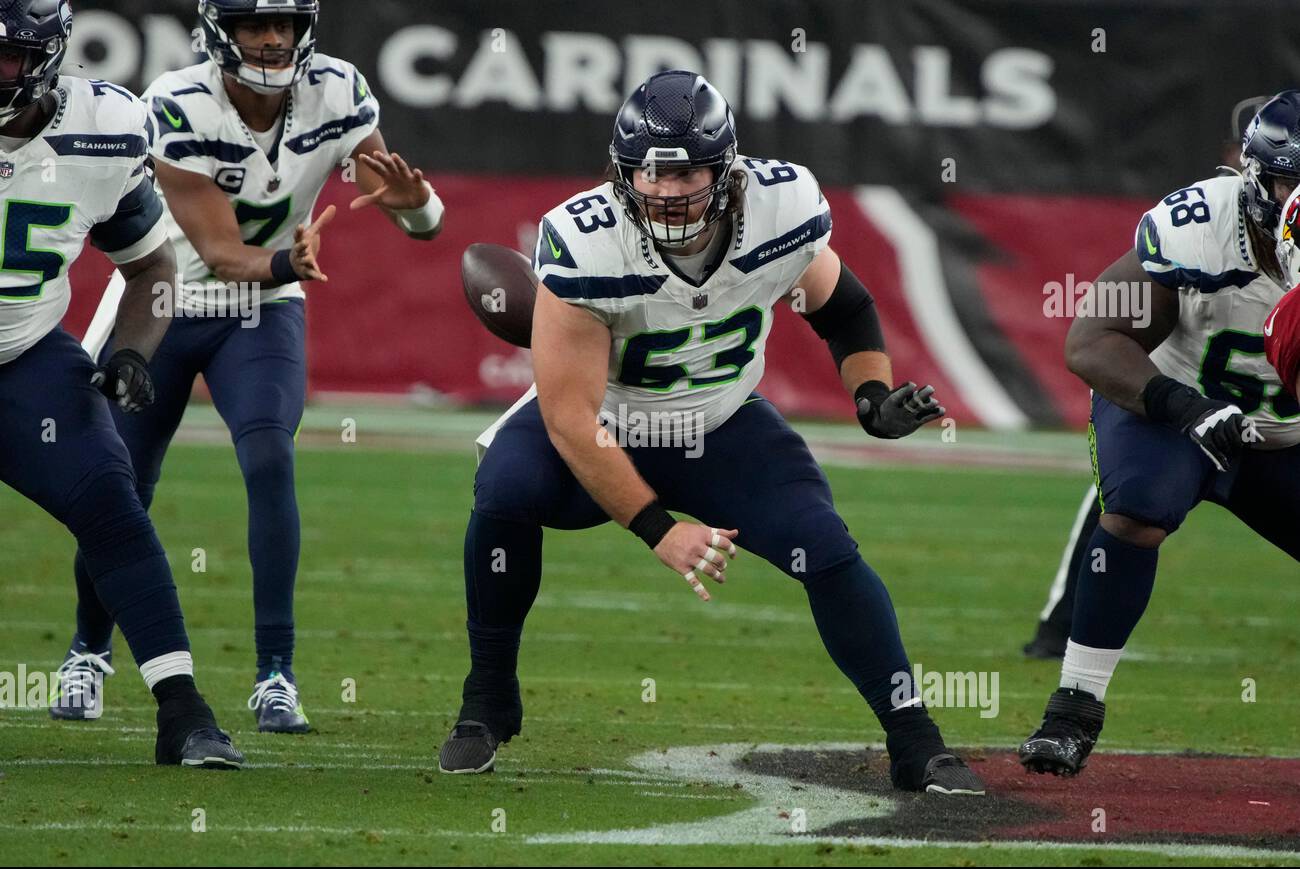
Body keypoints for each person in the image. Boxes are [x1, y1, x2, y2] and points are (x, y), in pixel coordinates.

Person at [438, 70, 985, 796]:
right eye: (648, 172)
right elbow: (569, 420)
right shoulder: (586, 240)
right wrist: (660, 528)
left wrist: (873, 397)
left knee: (824, 547)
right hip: (609, 421)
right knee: (504, 492)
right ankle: (488, 698)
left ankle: (915, 738)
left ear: (725, 170)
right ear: (622, 170)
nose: (666, 189)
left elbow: (844, 308)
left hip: (720, 420)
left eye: (687, 170)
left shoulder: (780, 208)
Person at [54, 0, 444, 732]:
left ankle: (275, 674)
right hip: (163, 299)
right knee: (117, 485)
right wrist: (285, 261)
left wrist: (419, 206)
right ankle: (88, 651)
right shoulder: (175, 101)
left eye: (286, 25)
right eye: (254, 25)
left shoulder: (340, 89)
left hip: (261, 306)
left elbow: (411, 211)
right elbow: (219, 252)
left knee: (270, 456)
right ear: (218, 31)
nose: (272, 39)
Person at [1019, 91, 1300, 777]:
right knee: (1139, 508)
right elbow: (1092, 337)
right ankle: (1074, 708)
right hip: (1175, 413)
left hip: (1284, 435)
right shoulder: (1201, 225)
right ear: (1259, 180)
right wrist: (1181, 406)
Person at [0, 0, 240, 767]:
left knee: (112, 501)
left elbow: (152, 268)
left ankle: (183, 710)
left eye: (6, 57)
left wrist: (135, 353)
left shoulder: (102, 129)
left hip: (26, 358)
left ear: (46, 56)